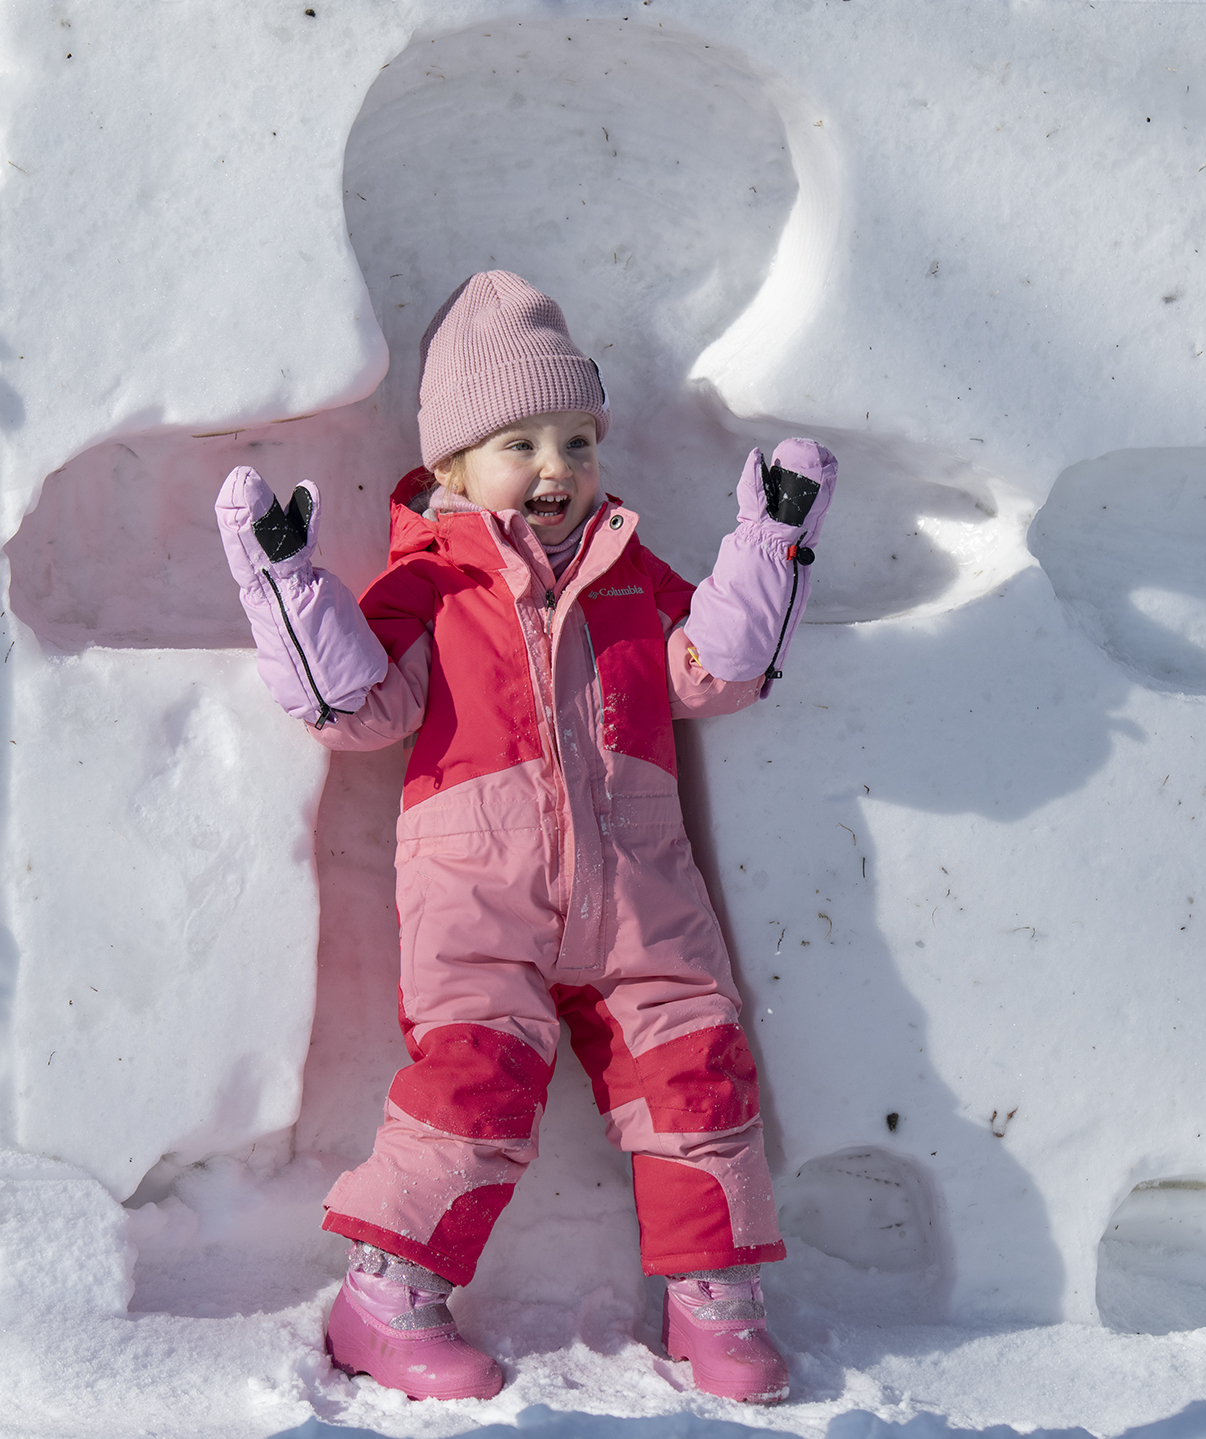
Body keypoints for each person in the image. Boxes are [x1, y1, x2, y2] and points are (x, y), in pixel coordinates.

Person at [214, 271, 835, 1405]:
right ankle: (385, 1295)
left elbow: (716, 667)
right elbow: (359, 707)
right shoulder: (429, 579)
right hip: (477, 884)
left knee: (696, 1063)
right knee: (475, 1080)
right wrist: (287, 578)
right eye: (521, 442)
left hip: (640, 879)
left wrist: (770, 541)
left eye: (577, 440)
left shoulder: (628, 572)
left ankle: (715, 1296)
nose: (557, 469)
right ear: (453, 466)